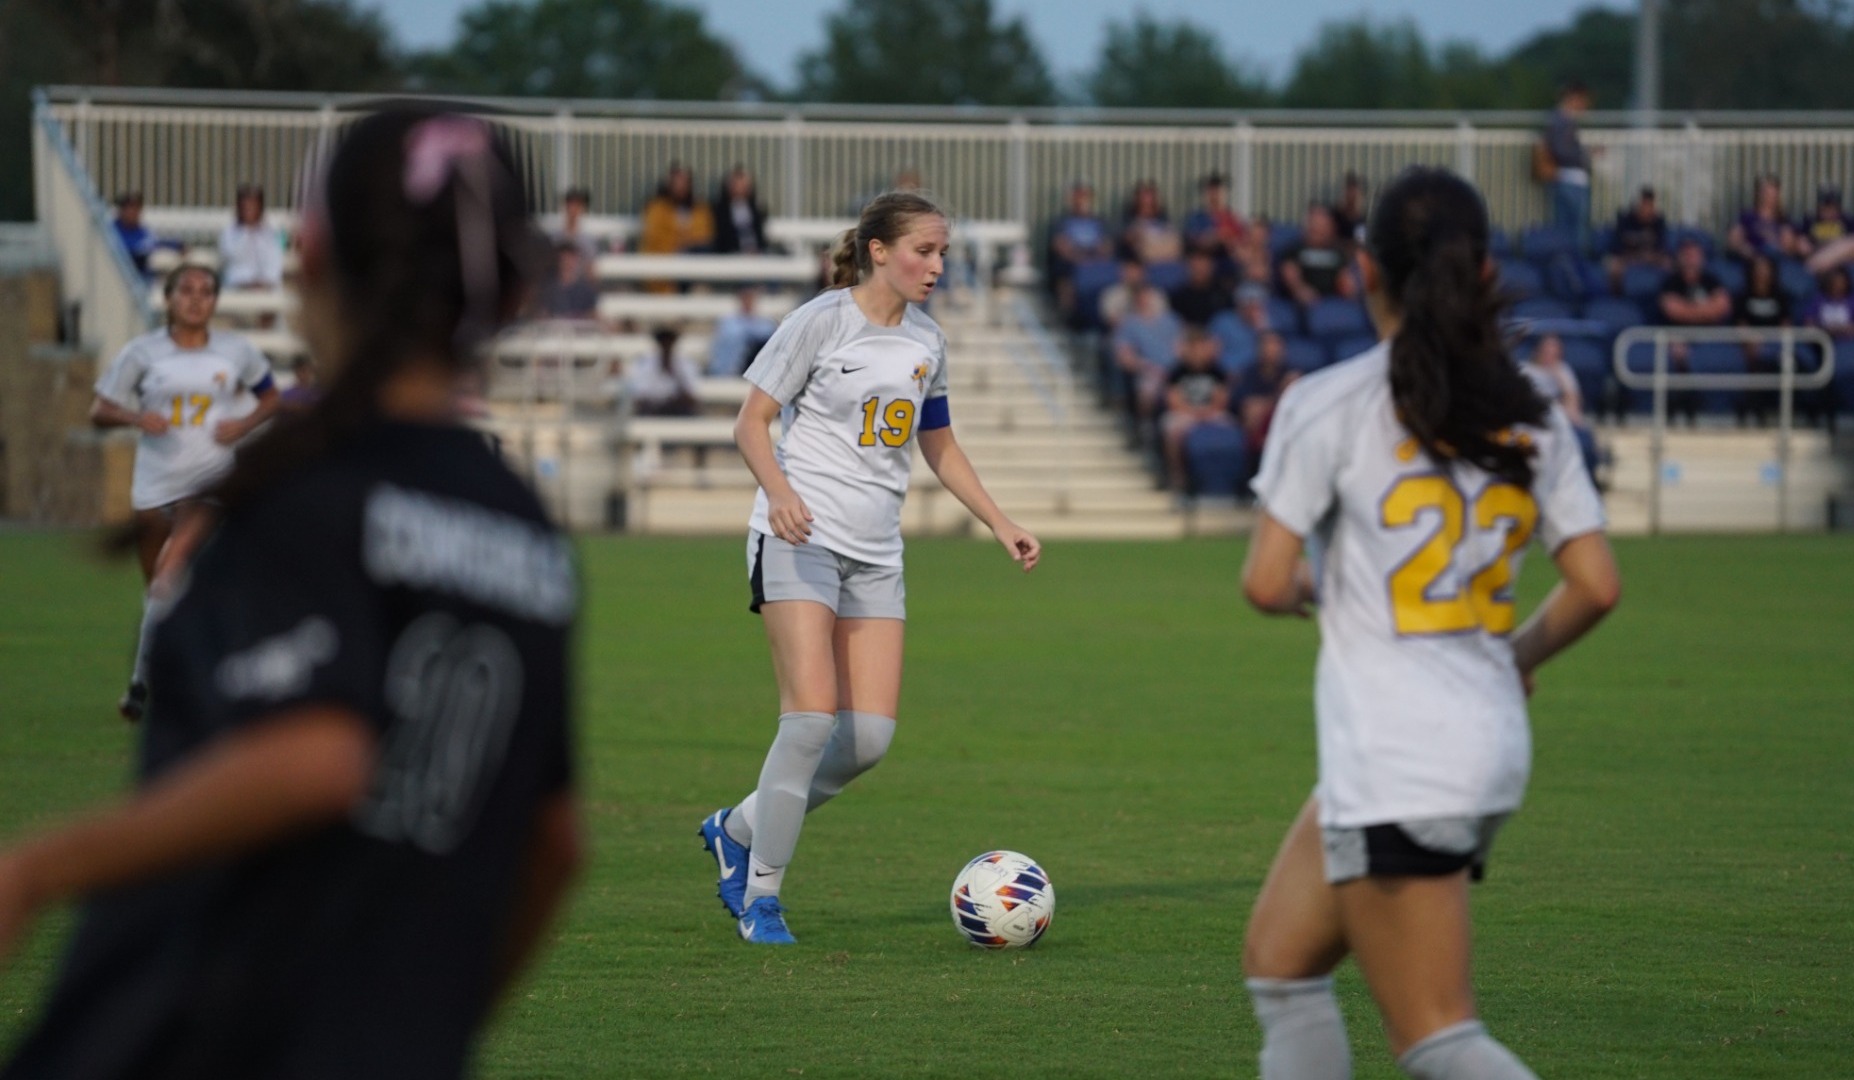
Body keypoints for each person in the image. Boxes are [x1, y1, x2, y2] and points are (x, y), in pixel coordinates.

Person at [0, 107, 582, 1078]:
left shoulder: (314, 491)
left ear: (309, 255)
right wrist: (426, 1031)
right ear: (519, 287)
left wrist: (34, 870)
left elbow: (315, 758)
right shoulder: (520, 521)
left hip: (186, 1035)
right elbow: (553, 845)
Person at [1240, 166, 1620, 1080]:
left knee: (1439, 1038)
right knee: (1280, 965)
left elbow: (1264, 581)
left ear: (1364, 269)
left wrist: (1320, 593)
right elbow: (1596, 585)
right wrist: (1516, 652)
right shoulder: (1529, 407)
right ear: (1482, 268)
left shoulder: (1328, 401)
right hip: (1481, 738)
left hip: (1398, 755)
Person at [699, 191, 1041, 946]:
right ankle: (762, 899)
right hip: (800, 537)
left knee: (867, 741)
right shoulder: (820, 320)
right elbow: (751, 422)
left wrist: (1000, 520)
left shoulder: (927, 340)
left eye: (944, 253)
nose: (937, 266)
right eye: (925, 250)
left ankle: (736, 827)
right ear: (879, 250)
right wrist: (780, 495)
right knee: (811, 716)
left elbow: (939, 445)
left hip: (877, 554)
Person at [89, 264, 280, 719]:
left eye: (206, 291)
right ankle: (172, 673)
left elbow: (271, 396)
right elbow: (99, 410)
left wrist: (244, 424)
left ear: (215, 301)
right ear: (169, 299)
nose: (197, 299)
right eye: (187, 290)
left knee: (173, 573)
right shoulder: (142, 352)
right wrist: (136, 418)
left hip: (211, 483)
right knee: (158, 587)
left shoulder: (237, 351)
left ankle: (139, 688)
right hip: (154, 484)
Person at [1659, 237, 1732, 424]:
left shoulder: (1711, 280)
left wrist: (1689, 310)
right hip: (1678, 336)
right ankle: (1683, 405)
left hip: (1709, 335)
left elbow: (1723, 306)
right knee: (1678, 351)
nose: (1691, 259)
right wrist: (1705, 311)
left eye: (1695, 255)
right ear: (1680, 258)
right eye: (1687, 255)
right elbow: (1673, 310)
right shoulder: (1671, 281)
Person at [1159, 327, 1234, 492]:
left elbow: (1222, 399)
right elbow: (1173, 400)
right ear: (1188, 349)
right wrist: (1194, 413)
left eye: (1201, 347)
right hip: (1185, 413)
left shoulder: (1216, 370)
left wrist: (1207, 412)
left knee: (1231, 427)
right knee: (1171, 429)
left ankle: (1230, 476)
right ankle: (1177, 475)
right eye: (1194, 347)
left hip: (1212, 412)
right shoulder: (1177, 371)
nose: (1197, 352)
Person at [1523, 334, 1599, 482]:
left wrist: (1560, 377)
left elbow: (1574, 407)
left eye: (1554, 352)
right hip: (1533, 421)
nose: (1550, 356)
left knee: (1584, 440)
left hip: (1560, 419)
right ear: (1538, 351)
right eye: (1547, 351)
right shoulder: (1526, 370)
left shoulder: (1563, 371)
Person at [1734, 255, 1792, 426]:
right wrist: (1752, 339)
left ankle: (1768, 408)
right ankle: (1755, 409)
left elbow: (1786, 327)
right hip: (1750, 343)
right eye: (1759, 268)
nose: (1762, 273)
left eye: (1765, 269)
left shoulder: (1780, 296)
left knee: (1779, 360)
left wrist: (1771, 342)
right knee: (1756, 358)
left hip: (1775, 343)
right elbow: (1740, 326)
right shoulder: (1744, 296)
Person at [641, 162, 715, 292]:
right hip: (667, 262)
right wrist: (680, 244)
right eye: (676, 183)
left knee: (701, 253)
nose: (680, 187)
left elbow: (705, 236)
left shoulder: (700, 209)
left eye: (684, 183)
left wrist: (687, 244)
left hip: (693, 262)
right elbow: (654, 237)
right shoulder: (657, 209)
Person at [1538, 81, 1594, 249]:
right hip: (1570, 179)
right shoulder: (1563, 121)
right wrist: (1584, 155)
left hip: (1566, 179)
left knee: (1567, 231)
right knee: (1574, 233)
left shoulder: (1558, 120)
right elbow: (1561, 150)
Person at [1048, 181, 1115, 320]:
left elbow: (1107, 247)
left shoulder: (1100, 222)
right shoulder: (1061, 222)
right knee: (1066, 281)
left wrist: (1094, 259)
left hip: (1096, 264)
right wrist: (1080, 258)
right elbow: (1061, 247)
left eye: (1085, 197)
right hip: (1071, 265)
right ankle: (1071, 323)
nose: (1081, 201)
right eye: (1077, 196)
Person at [1231, 330, 1296, 465]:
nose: (1271, 350)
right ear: (1259, 348)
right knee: (1254, 410)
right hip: (1258, 424)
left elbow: (1296, 401)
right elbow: (1245, 402)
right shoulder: (1249, 372)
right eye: (1267, 345)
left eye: (1276, 345)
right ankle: (1252, 458)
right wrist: (1276, 397)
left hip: (1281, 419)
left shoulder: (1289, 373)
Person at [1279, 204, 1357, 308]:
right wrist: (1299, 289)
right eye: (1315, 225)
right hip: (1305, 301)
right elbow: (1289, 273)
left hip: (1332, 299)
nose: (1318, 230)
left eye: (1323, 225)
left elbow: (1345, 275)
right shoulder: (1294, 249)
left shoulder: (1338, 252)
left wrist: (1348, 286)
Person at [217, 183, 285, 291]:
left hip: (266, 287)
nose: (249, 210)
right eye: (245, 206)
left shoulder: (271, 232)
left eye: (253, 206)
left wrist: (265, 282)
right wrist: (246, 232)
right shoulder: (229, 233)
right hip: (237, 286)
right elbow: (229, 258)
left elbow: (274, 261)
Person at [1606, 185, 1669, 294]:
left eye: (1650, 205)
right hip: (1628, 256)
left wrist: (1652, 255)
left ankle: (1665, 295)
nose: (1646, 209)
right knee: (1613, 266)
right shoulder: (1625, 218)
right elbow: (1616, 245)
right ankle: (1616, 298)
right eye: (1644, 204)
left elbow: (1662, 246)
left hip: (1650, 257)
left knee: (1668, 264)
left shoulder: (1658, 221)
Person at [624, 326, 701, 416]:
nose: (666, 345)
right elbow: (641, 395)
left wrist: (674, 373)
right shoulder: (646, 363)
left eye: (669, 341)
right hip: (653, 408)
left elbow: (691, 395)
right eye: (663, 341)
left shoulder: (685, 363)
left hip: (677, 408)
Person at [1728, 174, 1799, 263]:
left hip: (1775, 263)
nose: (1768, 197)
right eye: (1765, 192)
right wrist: (1743, 248)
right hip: (1751, 260)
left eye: (1772, 193)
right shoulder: (1747, 217)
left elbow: (1789, 248)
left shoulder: (1784, 221)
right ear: (1759, 193)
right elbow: (1733, 240)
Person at [708, 287, 778, 377]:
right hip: (732, 370)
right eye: (745, 298)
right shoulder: (728, 323)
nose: (748, 302)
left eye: (750, 298)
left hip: (758, 369)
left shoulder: (765, 324)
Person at [1182, 173, 1247, 260]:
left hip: (1230, 261)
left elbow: (1242, 243)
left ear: (1225, 194)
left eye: (1218, 191)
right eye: (1211, 191)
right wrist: (1218, 237)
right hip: (1204, 259)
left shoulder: (1234, 219)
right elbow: (1193, 241)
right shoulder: (1195, 219)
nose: (1214, 196)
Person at [111, 191, 176, 278]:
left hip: (141, 281)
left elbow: (155, 244)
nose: (134, 212)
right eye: (129, 208)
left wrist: (176, 245)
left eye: (137, 208)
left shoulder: (143, 232)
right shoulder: (111, 231)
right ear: (121, 210)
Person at [1169, 245, 1233, 327]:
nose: (1200, 270)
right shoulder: (1177, 297)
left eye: (1204, 266)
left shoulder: (1224, 294)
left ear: (1212, 267)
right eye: (1195, 267)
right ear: (1188, 267)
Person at [711, 165, 770, 255]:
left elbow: (760, 235)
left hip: (758, 253)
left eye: (744, 185)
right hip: (731, 253)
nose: (740, 188)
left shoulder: (757, 209)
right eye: (736, 184)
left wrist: (756, 249)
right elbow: (723, 237)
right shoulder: (720, 210)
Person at [1120, 180, 1182, 265]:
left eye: (1149, 197)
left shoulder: (1163, 219)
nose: (1147, 201)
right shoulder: (1130, 220)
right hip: (1142, 257)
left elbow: (1171, 238)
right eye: (1143, 197)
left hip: (1164, 254)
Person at [536, 242, 600, 320]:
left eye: (570, 258)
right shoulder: (546, 287)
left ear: (577, 260)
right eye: (563, 258)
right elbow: (541, 312)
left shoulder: (587, 289)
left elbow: (592, 313)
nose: (567, 262)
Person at [553, 186, 600, 269]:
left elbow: (590, 270)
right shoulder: (555, 238)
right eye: (571, 204)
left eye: (577, 205)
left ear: (583, 209)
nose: (573, 209)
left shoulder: (588, 241)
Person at [1798, 184, 1847, 257]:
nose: (1828, 211)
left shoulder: (1847, 222)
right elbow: (1802, 241)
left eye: (1832, 207)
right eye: (1825, 207)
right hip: (1816, 259)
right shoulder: (1810, 221)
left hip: (1841, 261)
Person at [1329, 172, 1368, 245]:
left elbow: (1362, 242)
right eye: (1349, 191)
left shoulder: (1362, 220)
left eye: (1354, 192)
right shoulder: (1334, 216)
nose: (1351, 196)